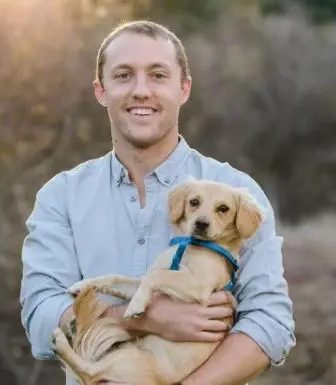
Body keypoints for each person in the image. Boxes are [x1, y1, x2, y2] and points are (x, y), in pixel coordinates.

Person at [20, 20, 296, 385]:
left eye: (158, 75)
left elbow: (271, 323)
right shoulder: (61, 196)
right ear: (101, 91)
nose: (140, 91)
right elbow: (41, 315)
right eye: (123, 75)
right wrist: (143, 317)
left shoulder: (237, 192)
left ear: (184, 89)